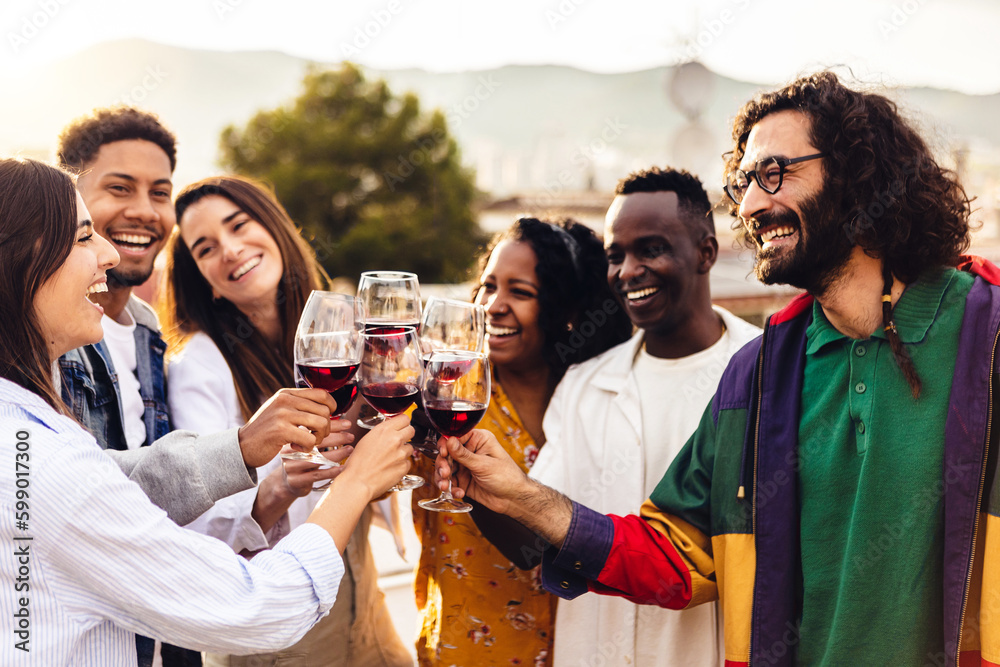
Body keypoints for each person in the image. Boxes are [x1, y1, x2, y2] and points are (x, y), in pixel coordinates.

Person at [433, 71, 1000, 666]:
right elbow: (676, 553)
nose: (750, 205)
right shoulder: (759, 376)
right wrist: (519, 494)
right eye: (745, 182)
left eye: (775, 173)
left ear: (859, 175)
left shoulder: (985, 340)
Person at [0, 157, 415, 665]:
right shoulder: (42, 462)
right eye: (85, 236)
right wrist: (355, 482)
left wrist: (246, 448)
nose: (109, 253)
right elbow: (257, 606)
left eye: (240, 225)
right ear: (19, 263)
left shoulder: (33, 435)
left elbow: (121, 479)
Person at [57, 107, 349, 667]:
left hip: (170, 640)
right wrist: (247, 451)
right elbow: (91, 491)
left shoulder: (146, 335)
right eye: (119, 188)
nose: (144, 211)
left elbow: (170, 520)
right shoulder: (49, 346)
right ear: (73, 201)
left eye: (159, 192)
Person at [160, 175, 411, 667]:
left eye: (238, 225)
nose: (230, 249)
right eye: (206, 248)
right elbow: (203, 528)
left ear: (274, 227)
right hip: (276, 626)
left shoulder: (338, 332)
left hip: (361, 598)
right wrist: (279, 486)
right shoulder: (200, 365)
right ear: (201, 276)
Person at [521, 168, 761, 666]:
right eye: (616, 256)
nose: (628, 271)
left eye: (651, 250)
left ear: (706, 252)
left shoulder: (766, 373)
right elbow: (539, 536)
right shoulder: (583, 385)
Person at [411, 217, 633, 666]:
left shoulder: (595, 397)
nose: (494, 306)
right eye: (488, 286)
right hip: (469, 651)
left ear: (565, 308)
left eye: (521, 292)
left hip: (579, 649)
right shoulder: (443, 393)